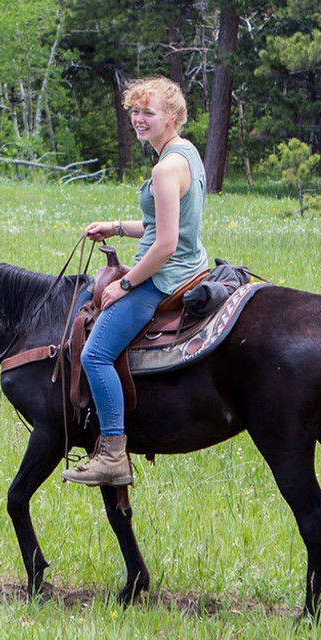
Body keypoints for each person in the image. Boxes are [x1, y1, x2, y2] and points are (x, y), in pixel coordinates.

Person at [63, 77, 209, 487]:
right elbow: (163, 223)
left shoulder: (165, 168)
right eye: (134, 111)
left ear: (173, 117)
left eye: (149, 112)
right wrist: (115, 227)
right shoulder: (186, 155)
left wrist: (125, 285)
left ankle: (111, 453)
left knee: (94, 355)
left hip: (162, 277)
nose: (138, 119)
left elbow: (163, 244)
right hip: (188, 264)